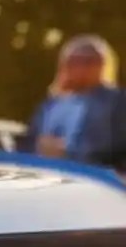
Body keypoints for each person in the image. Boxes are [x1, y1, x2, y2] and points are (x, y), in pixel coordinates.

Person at [26, 35, 126, 173]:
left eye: (90, 61)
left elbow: (118, 148)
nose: (81, 67)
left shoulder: (117, 102)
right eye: (73, 61)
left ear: (103, 65)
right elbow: (29, 144)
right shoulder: (50, 104)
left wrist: (69, 153)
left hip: (97, 184)